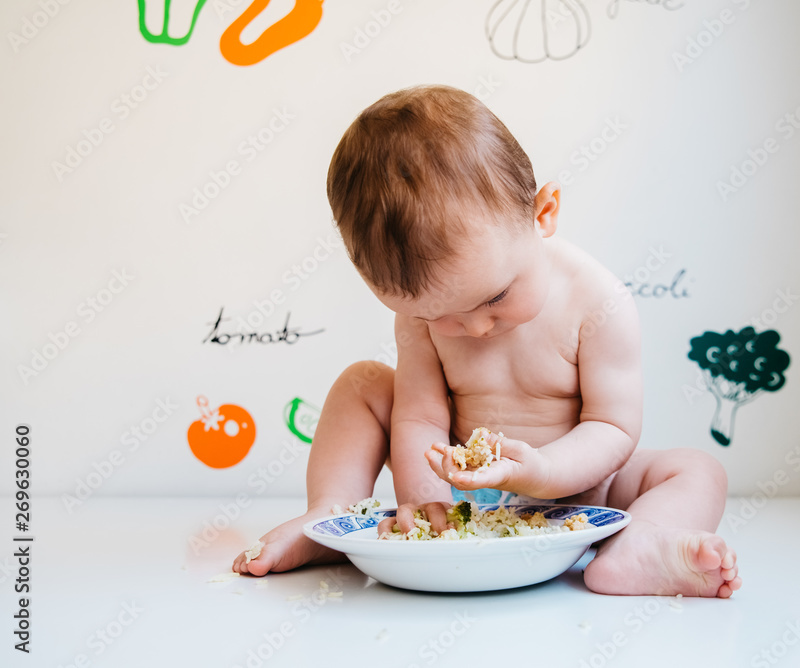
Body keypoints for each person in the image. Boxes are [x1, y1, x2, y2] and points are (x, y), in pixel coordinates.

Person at [232, 85, 741, 597]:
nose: (474, 328)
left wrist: (544, 471)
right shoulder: (421, 320)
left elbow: (612, 426)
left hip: (580, 486)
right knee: (361, 384)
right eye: (437, 315)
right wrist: (431, 504)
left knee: (697, 471)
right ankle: (332, 515)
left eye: (496, 296)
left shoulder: (598, 303)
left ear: (542, 214)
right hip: (461, 489)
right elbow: (420, 418)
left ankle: (641, 547)